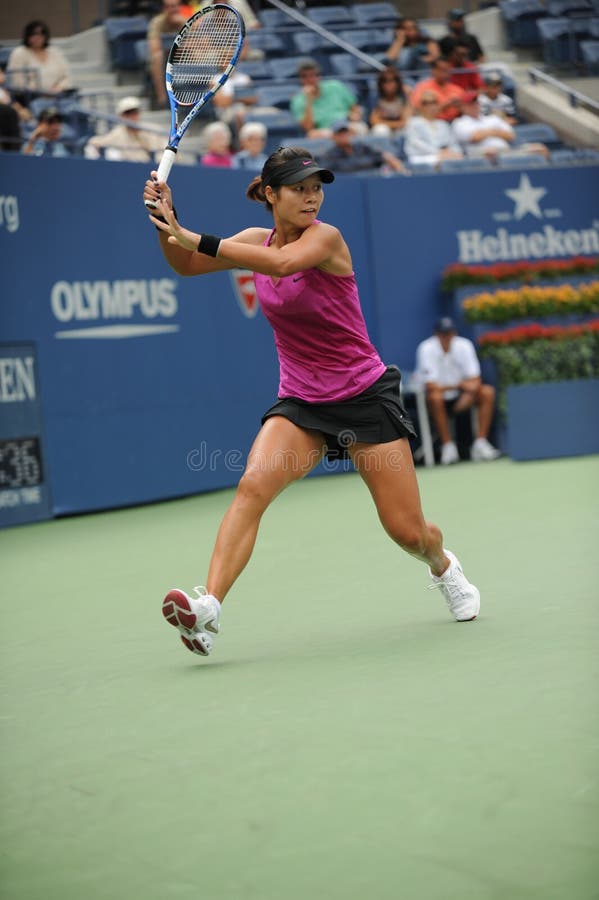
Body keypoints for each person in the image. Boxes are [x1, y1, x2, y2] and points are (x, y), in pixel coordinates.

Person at [142, 145, 481, 659]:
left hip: (364, 397)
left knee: (407, 531)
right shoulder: (254, 239)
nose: (312, 197)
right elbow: (186, 265)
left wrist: (194, 235)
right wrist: (165, 222)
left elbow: (279, 263)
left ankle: (443, 565)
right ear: (271, 195)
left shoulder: (326, 240)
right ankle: (208, 606)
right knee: (253, 485)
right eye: (299, 188)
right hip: (302, 401)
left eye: (316, 187)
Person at [415, 317, 500, 465]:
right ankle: (448, 446)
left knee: (487, 392)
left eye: (449, 333)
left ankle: (480, 443)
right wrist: (461, 385)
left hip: (463, 398)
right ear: (436, 334)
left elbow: (475, 381)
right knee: (435, 397)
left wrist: (467, 391)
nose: (446, 337)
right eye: (443, 334)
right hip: (440, 400)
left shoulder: (465, 346)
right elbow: (431, 386)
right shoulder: (426, 348)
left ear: (454, 333)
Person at [452, 91, 548, 160]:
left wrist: (486, 133)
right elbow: (475, 137)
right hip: (478, 155)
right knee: (490, 152)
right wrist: (495, 132)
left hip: (506, 151)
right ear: (462, 107)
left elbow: (510, 135)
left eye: (476, 103)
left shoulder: (492, 118)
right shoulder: (459, 122)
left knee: (539, 149)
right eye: (471, 103)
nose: (475, 106)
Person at [290, 59, 367, 138]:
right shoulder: (297, 100)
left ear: (318, 75)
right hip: (326, 131)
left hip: (347, 125)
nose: (309, 79)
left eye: (313, 75)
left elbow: (355, 108)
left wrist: (356, 115)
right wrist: (308, 100)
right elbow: (308, 128)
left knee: (361, 127)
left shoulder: (335, 86)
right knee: (312, 135)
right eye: (304, 76)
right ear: (300, 79)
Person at [84, 96, 164, 162]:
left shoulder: (153, 130)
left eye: (134, 112)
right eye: (127, 113)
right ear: (121, 116)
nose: (132, 116)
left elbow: (165, 152)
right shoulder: (117, 133)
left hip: (157, 172)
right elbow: (95, 143)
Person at [6, 19, 72, 96]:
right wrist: (42, 92)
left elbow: (66, 76)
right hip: (31, 98)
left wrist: (59, 88)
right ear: (28, 35)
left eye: (42, 33)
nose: (38, 37)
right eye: (34, 34)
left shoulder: (55, 52)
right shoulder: (19, 53)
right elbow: (17, 82)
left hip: (58, 95)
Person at [147, 0, 191, 109]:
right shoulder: (157, 22)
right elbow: (154, 48)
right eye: (169, 7)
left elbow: (194, 44)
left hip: (183, 57)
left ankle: (193, 98)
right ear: (164, 9)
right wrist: (181, 46)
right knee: (157, 57)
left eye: (175, 6)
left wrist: (184, 24)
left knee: (198, 53)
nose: (173, 10)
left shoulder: (185, 21)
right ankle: (162, 99)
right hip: (164, 59)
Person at [320, 120, 407, 175]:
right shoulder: (329, 155)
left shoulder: (361, 147)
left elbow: (382, 156)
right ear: (333, 137)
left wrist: (397, 165)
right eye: (340, 133)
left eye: (345, 132)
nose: (344, 136)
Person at [403, 91, 463, 168]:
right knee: (441, 161)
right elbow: (415, 144)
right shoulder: (413, 122)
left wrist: (454, 152)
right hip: (420, 157)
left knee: (459, 158)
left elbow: (453, 143)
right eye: (426, 103)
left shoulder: (443, 124)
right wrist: (438, 152)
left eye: (434, 103)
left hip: (443, 156)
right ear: (421, 106)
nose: (431, 106)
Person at [408, 58, 466, 123]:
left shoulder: (457, 89)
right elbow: (417, 109)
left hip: (455, 122)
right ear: (433, 70)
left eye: (446, 70)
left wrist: (461, 107)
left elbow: (467, 108)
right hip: (432, 122)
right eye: (441, 70)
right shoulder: (422, 87)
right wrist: (444, 106)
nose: (444, 73)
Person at [369, 67, 410, 136]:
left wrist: (384, 122)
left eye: (392, 80)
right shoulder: (376, 97)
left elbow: (406, 121)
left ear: (397, 83)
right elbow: (373, 121)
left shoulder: (403, 97)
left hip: (399, 129)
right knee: (380, 130)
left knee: (406, 130)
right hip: (385, 129)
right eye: (384, 81)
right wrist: (395, 124)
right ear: (380, 84)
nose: (388, 84)